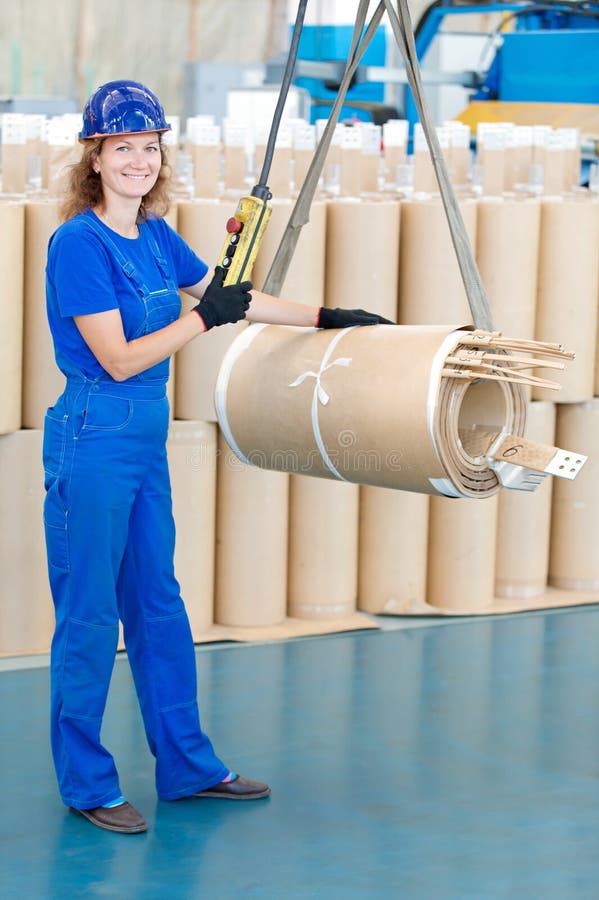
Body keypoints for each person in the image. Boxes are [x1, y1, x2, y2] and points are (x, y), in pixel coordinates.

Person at [43, 79, 390, 835]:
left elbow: (233, 296)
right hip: (94, 435)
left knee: (159, 606)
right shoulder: (78, 243)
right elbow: (121, 357)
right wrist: (205, 317)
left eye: (149, 146)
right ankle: (87, 782)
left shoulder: (157, 235)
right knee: (92, 616)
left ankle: (188, 767)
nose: (139, 159)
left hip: (143, 440)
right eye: (123, 147)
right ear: (95, 158)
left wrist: (328, 318)